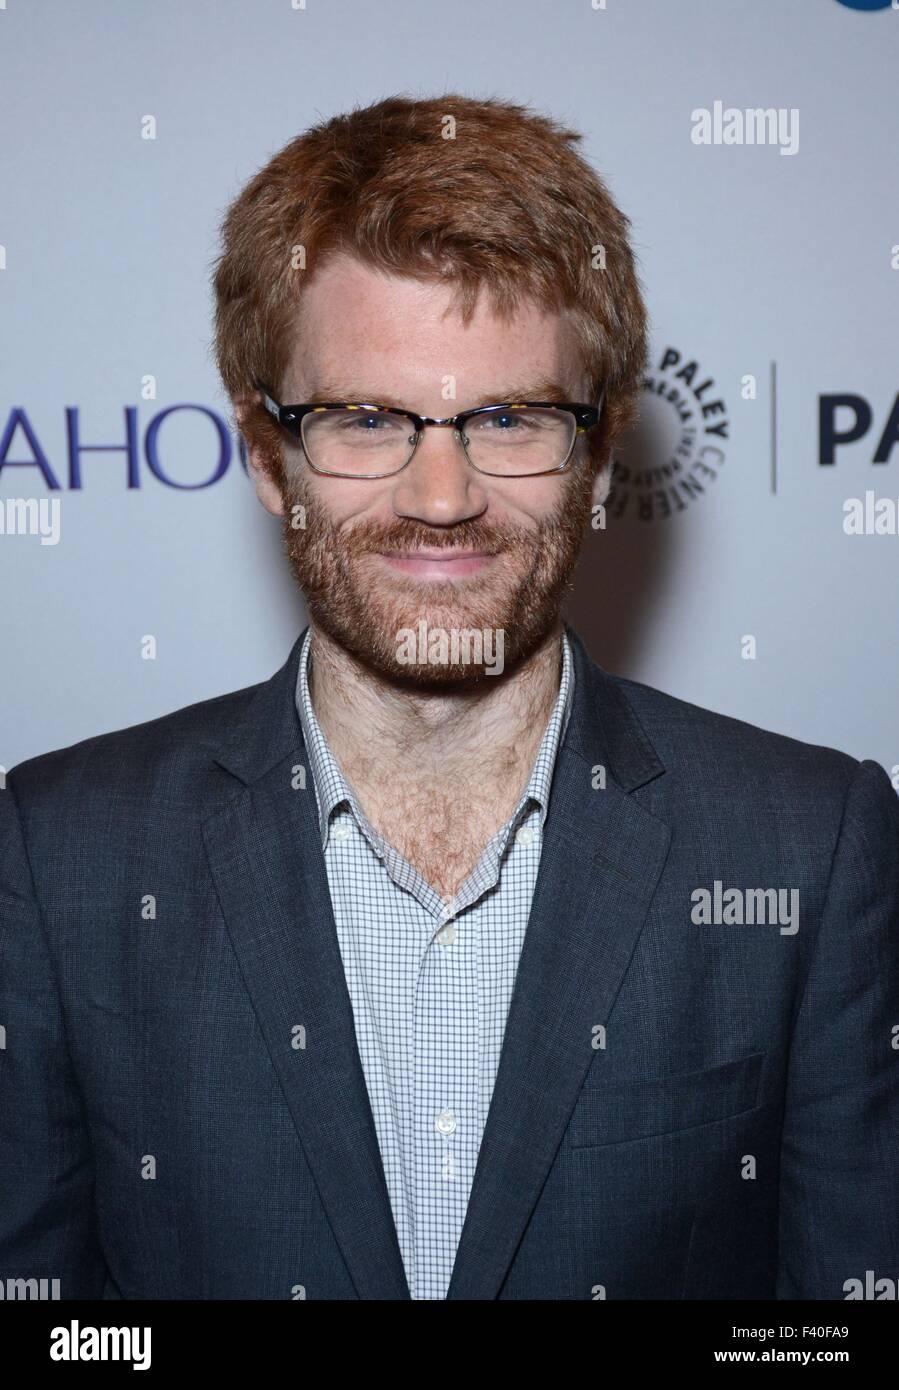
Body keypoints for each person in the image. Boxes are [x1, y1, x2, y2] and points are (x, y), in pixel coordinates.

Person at [2, 94, 897, 1302]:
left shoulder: (810, 845)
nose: (440, 496)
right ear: (270, 459)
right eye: (365, 418)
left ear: (596, 454)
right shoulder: (60, 857)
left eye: (510, 417)